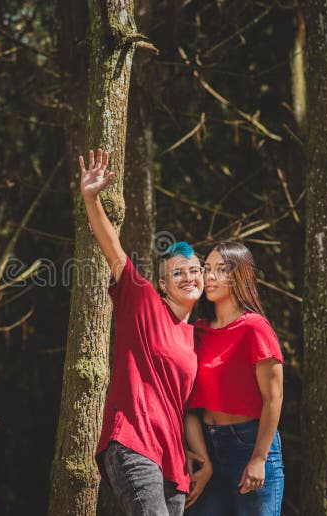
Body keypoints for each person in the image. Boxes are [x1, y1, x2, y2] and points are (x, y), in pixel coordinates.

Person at [79, 149, 211, 515]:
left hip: (175, 464)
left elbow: (184, 407)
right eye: (178, 273)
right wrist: (91, 197)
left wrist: (201, 456)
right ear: (163, 284)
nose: (189, 277)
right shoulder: (144, 302)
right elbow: (114, 252)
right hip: (133, 443)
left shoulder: (198, 337)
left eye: (194, 270)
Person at [184, 241, 285, 515]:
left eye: (221, 270)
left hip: (249, 445)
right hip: (205, 451)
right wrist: (201, 455)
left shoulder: (255, 328)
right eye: (206, 269)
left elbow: (274, 398)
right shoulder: (198, 331)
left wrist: (259, 458)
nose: (209, 276)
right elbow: (188, 404)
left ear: (241, 276)